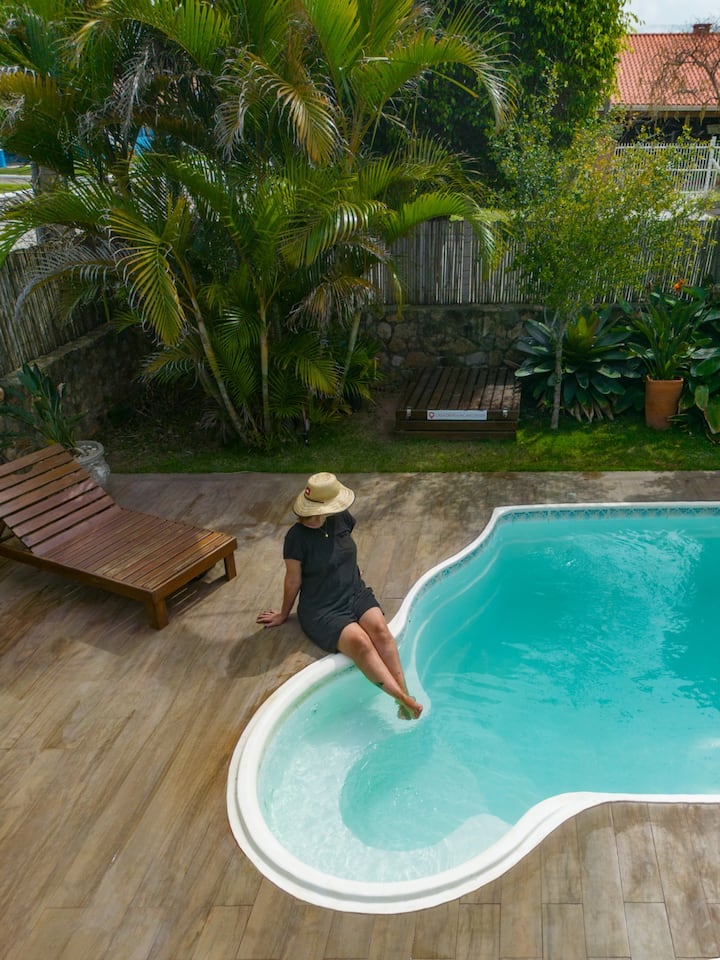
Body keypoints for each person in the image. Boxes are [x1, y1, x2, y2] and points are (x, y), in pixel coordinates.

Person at [257, 472, 423, 720]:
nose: (316, 518)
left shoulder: (340, 518)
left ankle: (405, 695)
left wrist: (349, 568)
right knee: (361, 643)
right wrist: (283, 614)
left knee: (379, 628)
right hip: (322, 608)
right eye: (312, 513)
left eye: (323, 511)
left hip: (354, 591)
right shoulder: (296, 538)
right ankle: (402, 699)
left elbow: (342, 547)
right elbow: (293, 580)